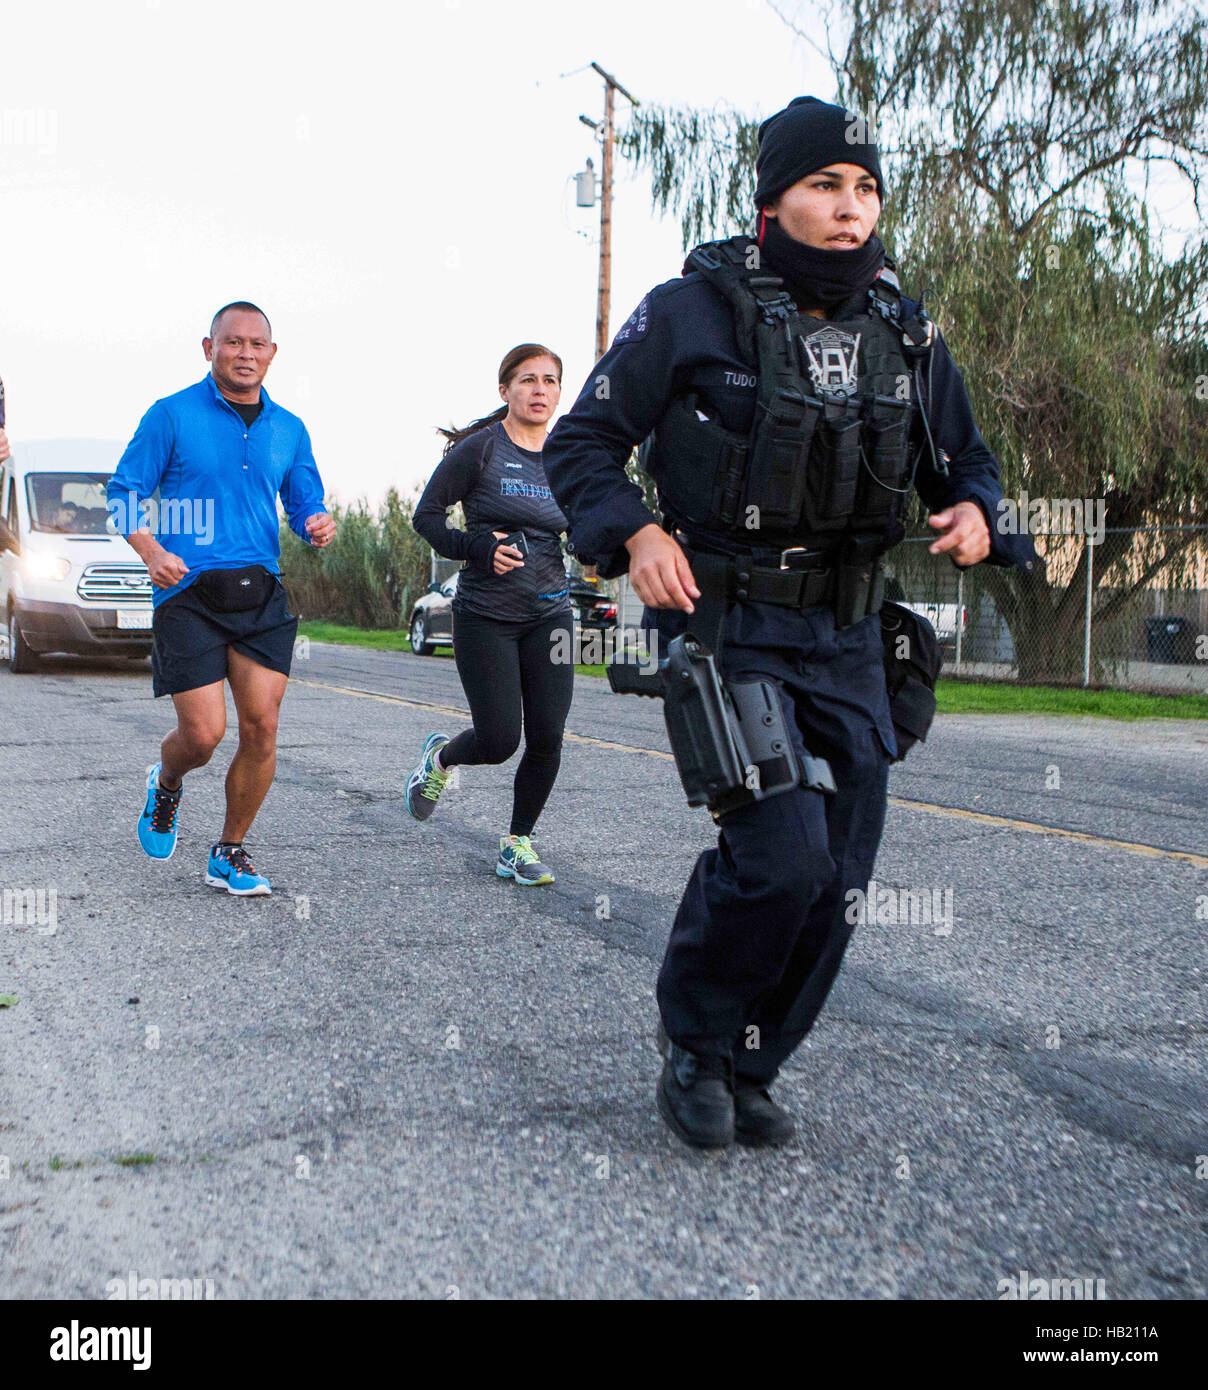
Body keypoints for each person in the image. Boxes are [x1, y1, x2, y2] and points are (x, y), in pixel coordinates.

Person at [544, 97, 1036, 1149]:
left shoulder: (906, 332)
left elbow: (971, 465)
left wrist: (974, 514)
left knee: (839, 883)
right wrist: (631, 533)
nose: (849, 208)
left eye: (863, 188)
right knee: (780, 857)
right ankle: (694, 1042)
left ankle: (750, 1059)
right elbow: (581, 442)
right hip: (726, 624)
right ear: (771, 201)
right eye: (823, 185)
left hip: (849, 637)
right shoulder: (686, 313)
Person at [107, 301, 334, 895]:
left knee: (262, 728)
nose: (245, 354)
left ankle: (228, 851)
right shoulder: (171, 415)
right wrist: (151, 552)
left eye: (257, 344)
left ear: (272, 354)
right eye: (233, 343)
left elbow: (305, 496)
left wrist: (315, 520)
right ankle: (168, 782)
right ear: (208, 348)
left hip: (259, 595)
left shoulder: (288, 427)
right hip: (187, 594)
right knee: (204, 735)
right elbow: (124, 491)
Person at [407, 344, 574, 887]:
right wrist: (477, 547)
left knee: (548, 734)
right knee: (501, 740)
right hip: (486, 615)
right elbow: (426, 517)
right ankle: (440, 760)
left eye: (550, 381)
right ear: (505, 390)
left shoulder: (569, 454)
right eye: (528, 380)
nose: (540, 390)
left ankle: (517, 844)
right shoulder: (481, 450)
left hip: (552, 613)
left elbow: (589, 521)